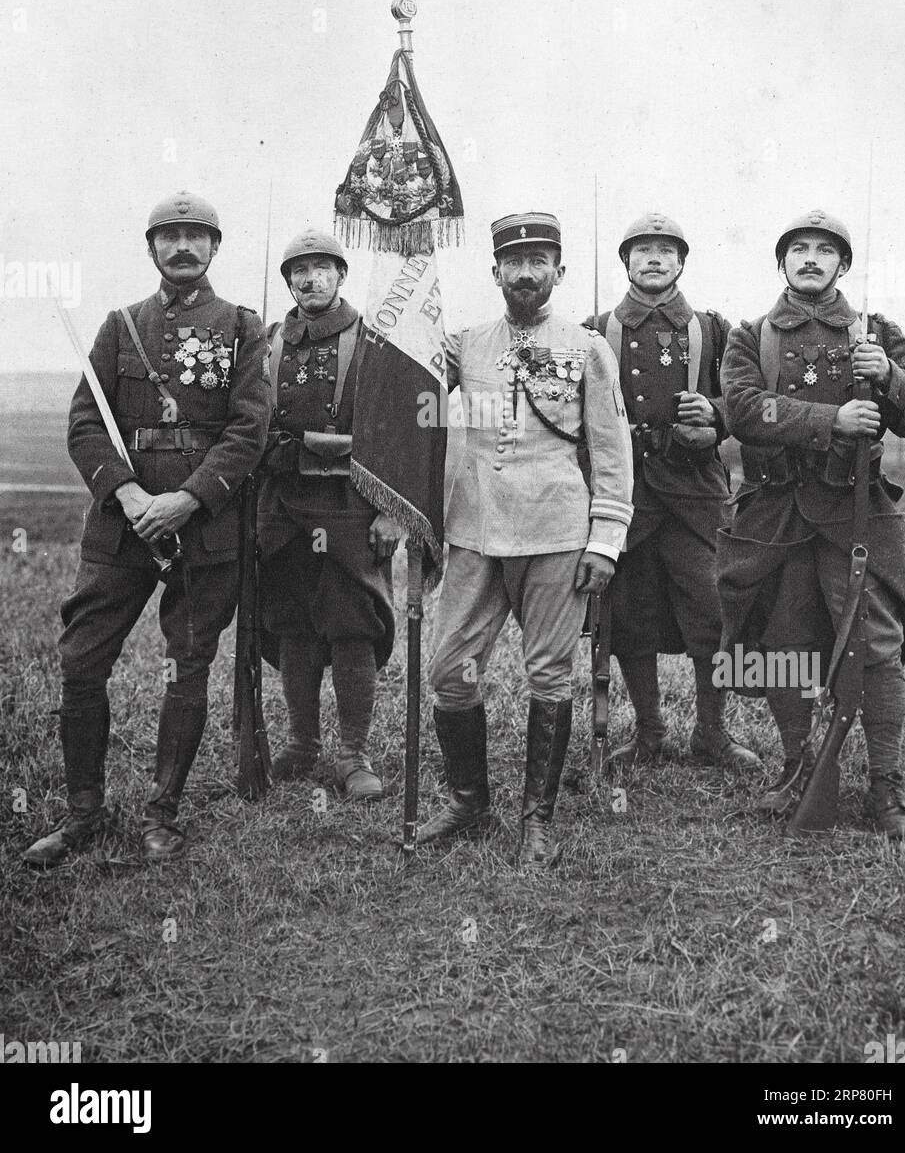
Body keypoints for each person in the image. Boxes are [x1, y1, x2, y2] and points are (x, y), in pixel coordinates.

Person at [23, 191, 270, 866]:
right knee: (81, 661)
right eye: (170, 236)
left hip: (205, 527)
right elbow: (84, 423)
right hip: (121, 527)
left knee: (186, 668)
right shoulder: (118, 326)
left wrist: (188, 500)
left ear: (215, 248)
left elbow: (250, 431)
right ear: (152, 247)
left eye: (196, 236)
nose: (183, 247)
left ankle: (162, 812)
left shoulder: (245, 329)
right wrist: (129, 493)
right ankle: (82, 813)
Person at [417, 211, 634, 866]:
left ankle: (536, 819)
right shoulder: (466, 345)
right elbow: (406, 380)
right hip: (478, 532)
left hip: (555, 529)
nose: (526, 272)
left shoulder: (587, 348)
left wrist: (605, 540)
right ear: (495, 272)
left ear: (558, 271)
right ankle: (468, 802)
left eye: (540, 260)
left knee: (548, 675)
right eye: (514, 261)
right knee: (450, 671)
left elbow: (611, 447)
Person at [717, 210, 905, 839]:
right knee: (784, 647)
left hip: (857, 511)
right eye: (798, 250)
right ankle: (799, 772)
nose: (810, 259)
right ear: (781, 263)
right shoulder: (749, 335)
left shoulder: (878, 332)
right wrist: (830, 420)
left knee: (877, 650)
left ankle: (887, 790)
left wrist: (888, 376)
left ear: (842, 264)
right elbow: (745, 411)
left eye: (824, 250)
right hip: (776, 513)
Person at [592, 213, 760, 771]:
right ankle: (650, 732)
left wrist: (712, 416)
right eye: (642, 250)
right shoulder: (596, 329)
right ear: (627, 262)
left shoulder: (714, 328)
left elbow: (745, 402)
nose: (655, 259)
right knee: (629, 616)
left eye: (666, 250)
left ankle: (712, 733)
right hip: (627, 499)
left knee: (711, 614)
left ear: (683, 261)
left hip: (695, 495)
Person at [257, 231, 400, 800]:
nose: (309, 280)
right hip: (283, 505)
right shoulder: (267, 341)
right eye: (298, 271)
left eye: (321, 269)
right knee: (292, 623)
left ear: (341, 276)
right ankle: (300, 742)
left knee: (351, 626)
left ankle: (352, 754)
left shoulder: (375, 341)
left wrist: (392, 510)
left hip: (350, 507)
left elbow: (400, 432)